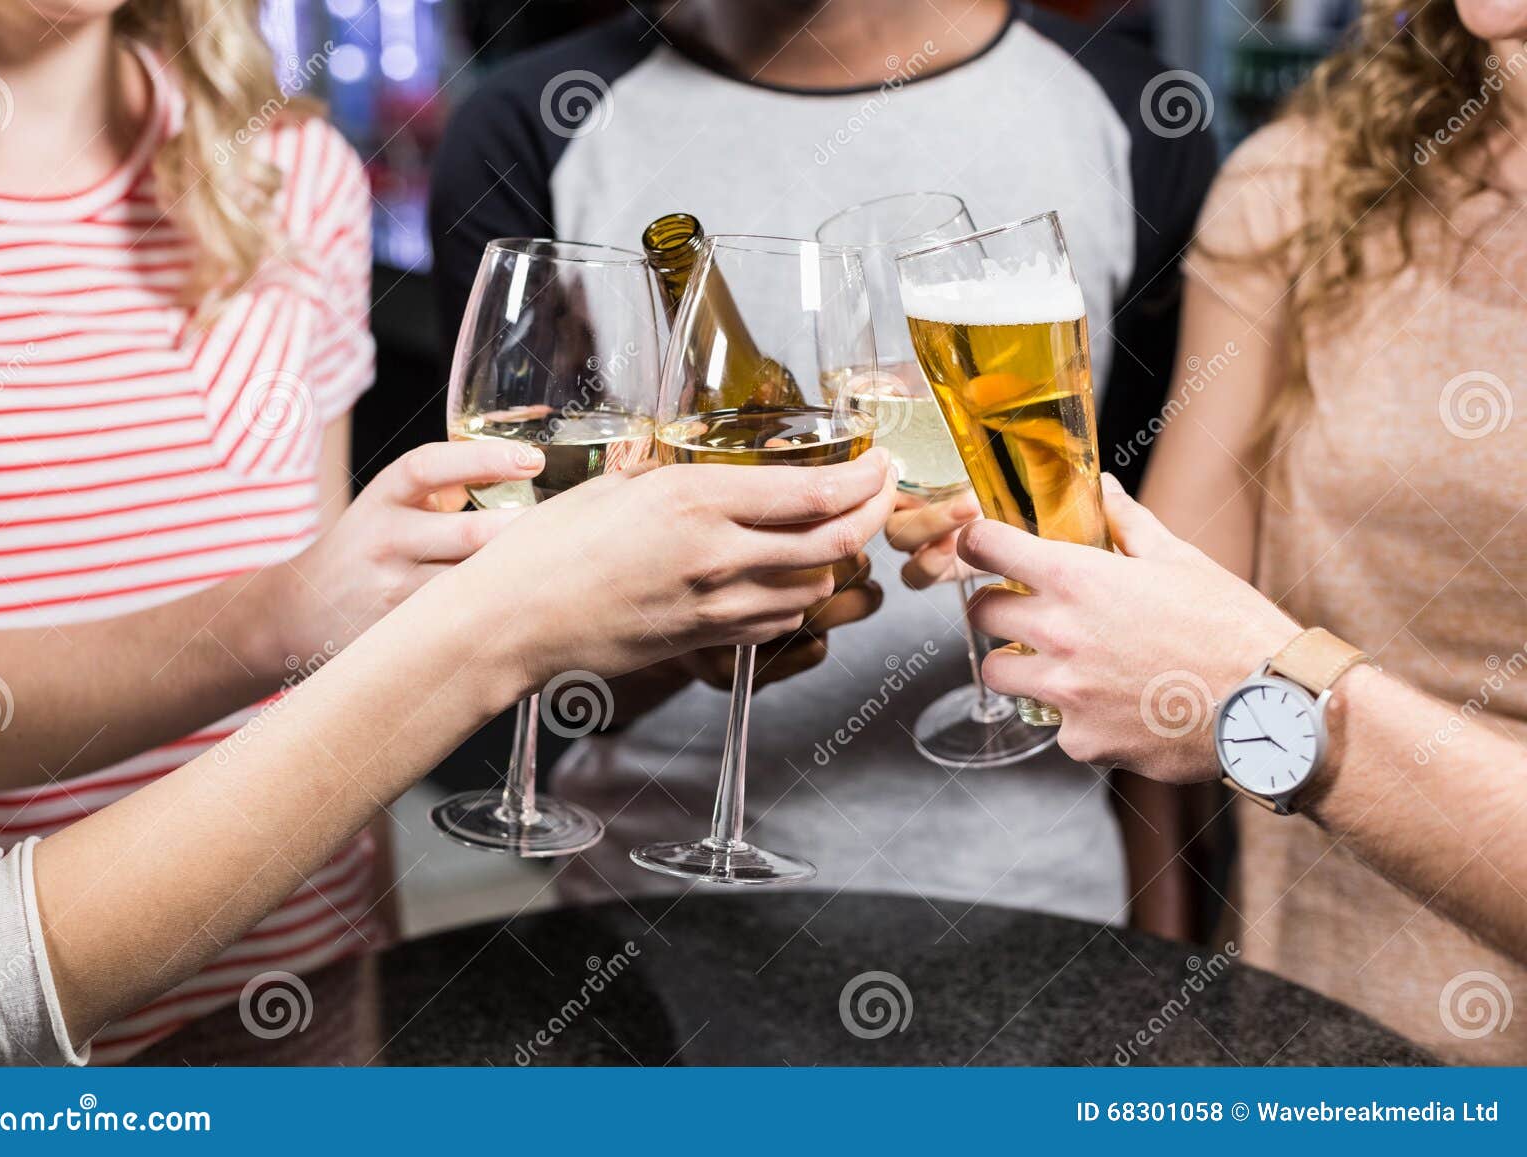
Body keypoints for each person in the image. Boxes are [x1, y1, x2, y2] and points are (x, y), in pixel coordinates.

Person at [430, 0, 1215, 920]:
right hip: (651, 908)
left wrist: (1170, 965)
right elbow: (482, 635)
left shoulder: (1130, 108)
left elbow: (1161, 611)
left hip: (1042, 905)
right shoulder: (533, 119)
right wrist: (678, 639)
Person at [0, 447, 898, 1065]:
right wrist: (495, 629)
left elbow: (316, 644)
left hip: (307, 990)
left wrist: (300, 609)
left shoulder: (287, 172)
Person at [0, 0, 387, 1060]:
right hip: (17, 1036)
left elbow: (334, 671)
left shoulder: (290, 170)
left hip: (302, 984)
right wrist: (267, 622)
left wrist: (368, 956)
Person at [1122, 0, 1527, 1063]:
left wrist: (1311, 729)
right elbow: (1165, 626)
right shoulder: (1304, 186)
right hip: (1307, 1040)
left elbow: (1219, 670)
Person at [958, 479, 1527, 990]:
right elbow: (1152, 634)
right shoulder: (1275, 355)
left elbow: (1198, 663)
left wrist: (1259, 690)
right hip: (1283, 950)